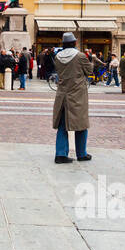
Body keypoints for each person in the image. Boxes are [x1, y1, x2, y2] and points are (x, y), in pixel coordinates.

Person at [50, 32, 102, 164]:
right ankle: (81, 153)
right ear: (74, 43)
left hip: (62, 93)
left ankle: (60, 154)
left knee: (62, 125)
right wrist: (91, 59)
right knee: (81, 124)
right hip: (77, 93)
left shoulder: (57, 57)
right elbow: (89, 71)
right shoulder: (80, 56)